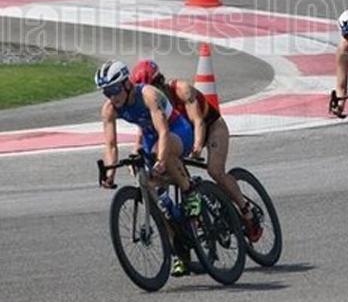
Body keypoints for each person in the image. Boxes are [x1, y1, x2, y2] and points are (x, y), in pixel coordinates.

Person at [129, 60, 262, 242]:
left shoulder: (182, 89)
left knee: (215, 170)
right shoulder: (152, 103)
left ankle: (247, 210)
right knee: (175, 173)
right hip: (183, 137)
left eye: (154, 89)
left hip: (211, 128)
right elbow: (143, 131)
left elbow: (198, 120)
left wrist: (198, 147)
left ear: (160, 82)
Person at [95, 60, 200, 277]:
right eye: (106, 92)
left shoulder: (148, 95)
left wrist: (161, 160)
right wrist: (110, 172)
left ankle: (189, 190)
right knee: (153, 195)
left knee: (159, 154)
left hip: (178, 132)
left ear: (126, 85)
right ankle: (178, 247)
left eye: (114, 90)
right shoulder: (109, 109)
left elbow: (163, 132)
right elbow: (111, 145)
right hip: (152, 140)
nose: (112, 97)